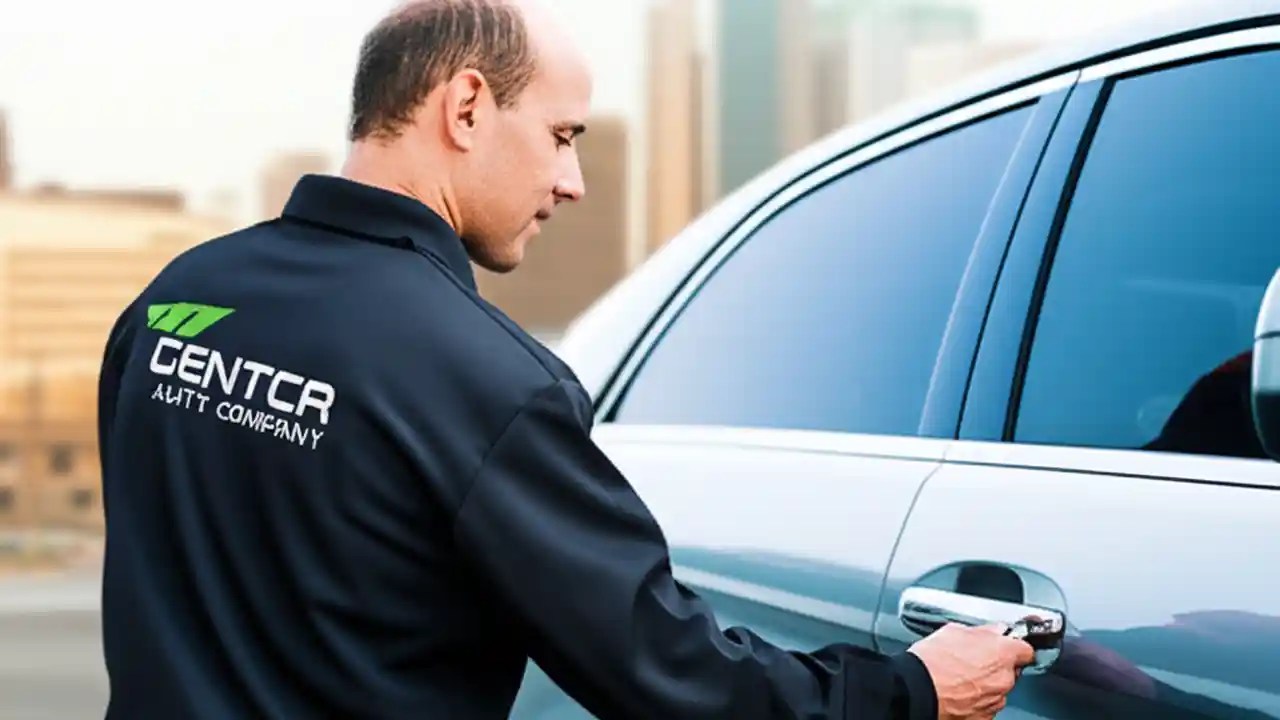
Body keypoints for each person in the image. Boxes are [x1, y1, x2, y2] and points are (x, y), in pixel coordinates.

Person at [95, 1, 1032, 718]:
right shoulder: (483, 382)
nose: (572, 181)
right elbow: (664, 672)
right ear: (465, 106)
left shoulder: (179, 300)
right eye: (562, 135)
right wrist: (909, 692)